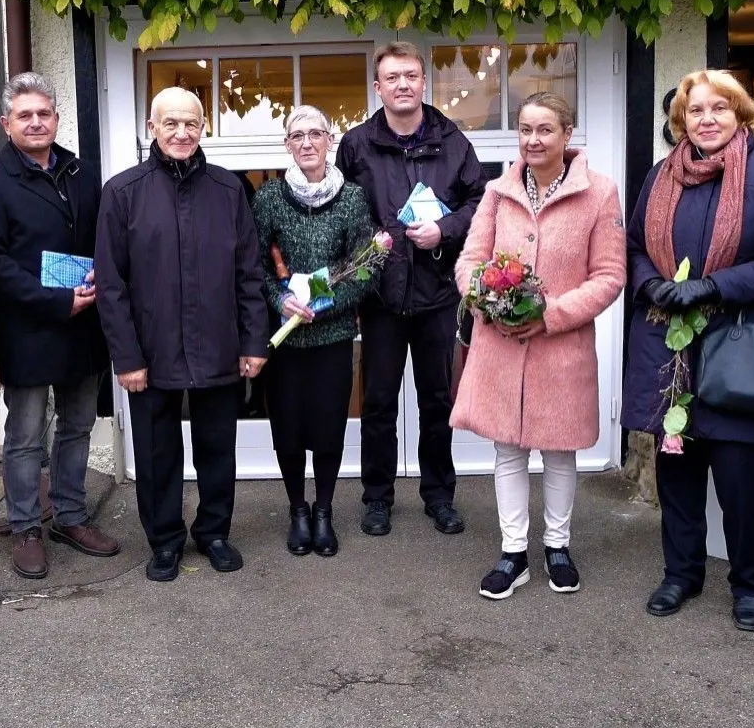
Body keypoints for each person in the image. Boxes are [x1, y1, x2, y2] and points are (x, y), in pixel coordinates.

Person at [621, 69, 754, 632]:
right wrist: (651, 284)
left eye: (719, 108)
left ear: (741, 114)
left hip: (738, 347)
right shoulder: (661, 175)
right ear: (681, 120)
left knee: (740, 479)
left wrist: (713, 287)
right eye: (695, 110)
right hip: (670, 347)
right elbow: (634, 246)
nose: (707, 119)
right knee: (677, 471)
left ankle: (749, 583)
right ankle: (681, 573)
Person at [451, 92, 626, 599]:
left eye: (545, 129)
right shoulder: (496, 192)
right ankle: (513, 554)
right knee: (507, 451)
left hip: (561, 350)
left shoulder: (600, 193)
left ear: (567, 134)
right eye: (525, 129)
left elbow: (609, 276)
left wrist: (549, 315)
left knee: (559, 452)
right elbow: (469, 261)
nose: (533, 140)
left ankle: (557, 547)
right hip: (500, 347)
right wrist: (488, 301)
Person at [95, 87, 270, 582]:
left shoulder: (228, 189)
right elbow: (111, 284)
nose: (181, 132)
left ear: (203, 127)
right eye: (170, 123)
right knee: (157, 453)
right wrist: (127, 357)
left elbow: (249, 273)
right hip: (150, 352)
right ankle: (165, 540)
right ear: (151, 128)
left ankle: (214, 532)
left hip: (219, 345)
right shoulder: (123, 192)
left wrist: (254, 341)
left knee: (217, 448)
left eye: (191, 123)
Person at [0, 72, 119, 581]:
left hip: (85, 323)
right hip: (29, 325)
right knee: (26, 434)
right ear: (6, 123)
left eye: (44, 113)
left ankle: (70, 517)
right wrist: (55, 301)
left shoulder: (83, 173)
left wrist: (100, 275)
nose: (36, 122)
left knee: (77, 426)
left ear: (56, 118)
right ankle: (26, 527)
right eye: (24, 115)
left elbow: (104, 240)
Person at [337, 41, 488, 538]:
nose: (402, 84)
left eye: (410, 76)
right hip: (381, 296)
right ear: (377, 87)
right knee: (378, 402)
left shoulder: (454, 142)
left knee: (437, 401)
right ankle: (377, 498)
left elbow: (480, 203)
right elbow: (343, 211)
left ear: (424, 82)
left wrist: (444, 230)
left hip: (437, 294)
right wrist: (367, 249)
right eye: (392, 77)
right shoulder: (356, 145)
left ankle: (439, 496)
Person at [253, 105, 378, 557]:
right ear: (287, 144)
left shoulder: (353, 198)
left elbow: (365, 268)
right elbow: (253, 265)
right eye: (297, 135)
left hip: (332, 337)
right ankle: (297, 511)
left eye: (315, 134)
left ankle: (323, 511)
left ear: (330, 140)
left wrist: (322, 305)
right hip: (285, 341)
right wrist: (280, 300)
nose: (307, 142)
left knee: (328, 428)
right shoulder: (269, 198)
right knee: (287, 430)